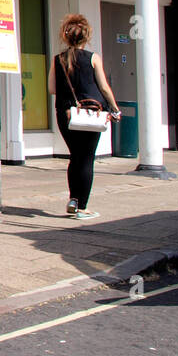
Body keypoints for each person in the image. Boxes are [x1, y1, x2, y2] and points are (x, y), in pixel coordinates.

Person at [47, 13, 121, 220]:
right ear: (86, 36)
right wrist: (114, 109)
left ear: (66, 36)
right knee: (87, 159)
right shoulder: (93, 58)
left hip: (66, 115)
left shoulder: (58, 60)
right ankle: (82, 207)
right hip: (91, 114)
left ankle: (73, 199)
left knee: (75, 157)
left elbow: (52, 88)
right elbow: (104, 88)